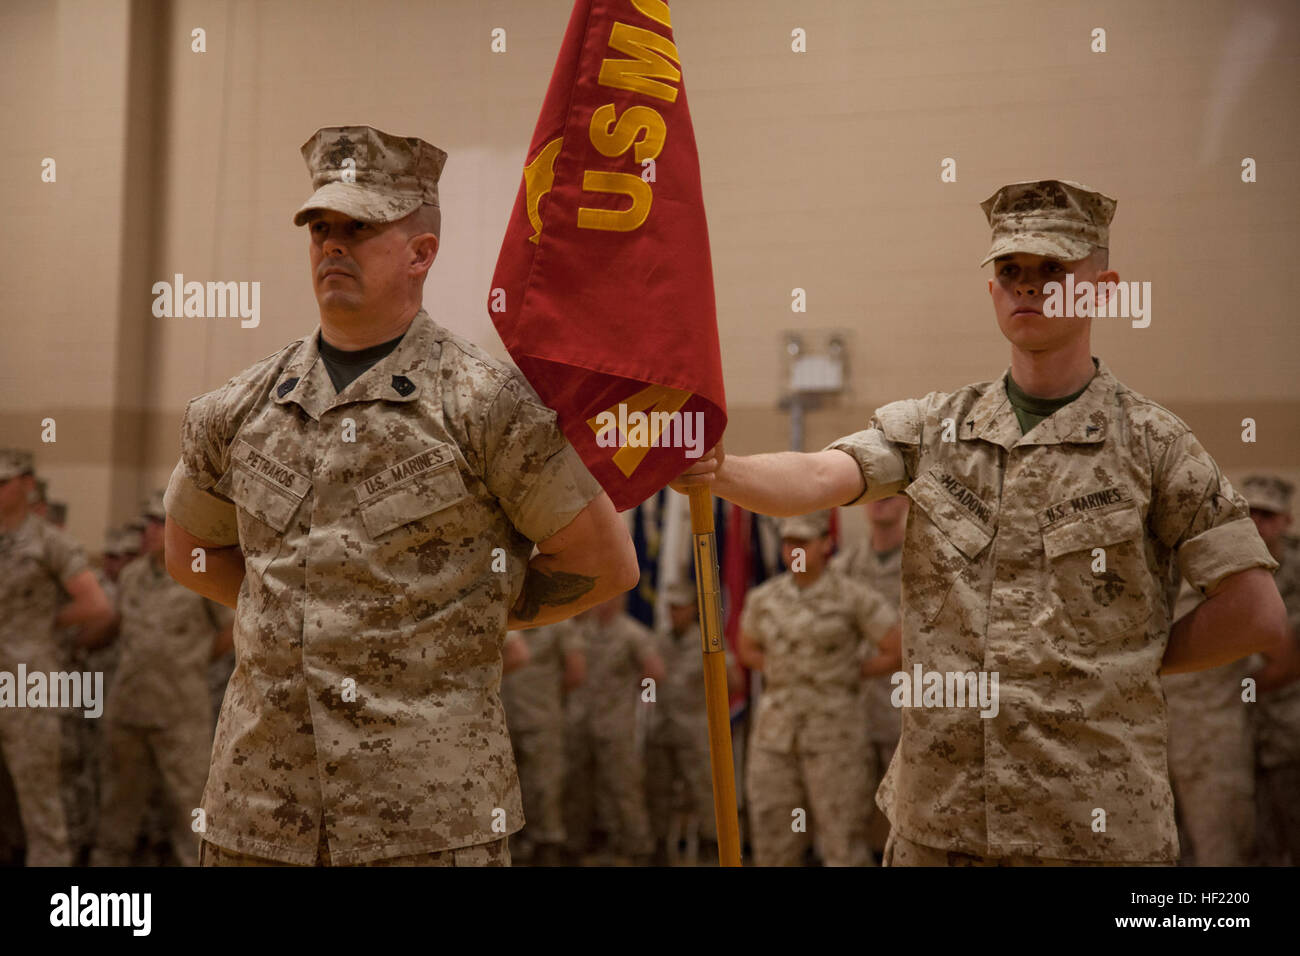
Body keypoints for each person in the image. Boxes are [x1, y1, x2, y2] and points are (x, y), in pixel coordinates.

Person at [673, 179, 1290, 866]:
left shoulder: (1153, 444)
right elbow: (820, 477)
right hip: (941, 824)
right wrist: (723, 471)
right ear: (992, 290)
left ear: (1102, 290)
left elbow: (1255, 612)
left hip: (1089, 829)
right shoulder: (936, 428)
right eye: (1010, 271)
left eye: (1052, 270)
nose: (1027, 286)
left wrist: (1129, 661)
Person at [161, 125, 637, 867]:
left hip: (426, 822)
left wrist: (453, 622)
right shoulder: (239, 408)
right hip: (256, 816)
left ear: (421, 252)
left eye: (360, 227)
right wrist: (303, 619)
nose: (333, 246)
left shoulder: (487, 405)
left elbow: (602, 564)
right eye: (321, 228)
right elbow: (191, 553)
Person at [739, 511, 900, 866]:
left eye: (803, 542)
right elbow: (747, 647)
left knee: (842, 843)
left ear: (825, 544)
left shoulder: (852, 596)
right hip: (776, 737)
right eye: (788, 542)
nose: (793, 550)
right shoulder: (764, 598)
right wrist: (783, 669)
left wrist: (848, 672)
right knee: (774, 838)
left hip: (834, 738)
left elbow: (896, 648)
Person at [92, 492, 232, 866]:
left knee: (190, 814)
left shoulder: (198, 571)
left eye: (159, 522)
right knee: (116, 812)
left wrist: (193, 660)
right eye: (148, 524)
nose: (151, 531)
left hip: (179, 711)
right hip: (129, 708)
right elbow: (121, 628)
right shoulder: (132, 576)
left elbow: (229, 629)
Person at [0, 449, 114, 865]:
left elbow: (96, 605)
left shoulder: (49, 541)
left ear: (27, 485)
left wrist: (45, 624)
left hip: (27, 688)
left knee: (40, 808)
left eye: (4, 483)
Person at [644, 578, 740, 865]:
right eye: (671, 608)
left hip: (696, 733)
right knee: (658, 793)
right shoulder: (657, 640)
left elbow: (734, 682)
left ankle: (713, 848)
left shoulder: (708, 640)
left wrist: (708, 696)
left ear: (693, 609)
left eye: (681, 608)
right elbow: (644, 679)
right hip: (662, 731)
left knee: (705, 792)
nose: (675, 614)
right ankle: (659, 847)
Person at [832, 493, 908, 853]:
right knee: (845, 819)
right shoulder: (842, 569)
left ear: (908, 502)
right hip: (853, 712)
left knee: (908, 820)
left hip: (906, 711)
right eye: (875, 497)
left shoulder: (924, 566)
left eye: (892, 496)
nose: (881, 503)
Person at [563, 595, 662, 864]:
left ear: (621, 601)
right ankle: (576, 844)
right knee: (578, 788)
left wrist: (633, 693)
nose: (603, 604)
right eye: (601, 599)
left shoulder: (632, 633)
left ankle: (639, 847)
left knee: (624, 789)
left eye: (611, 600)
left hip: (616, 725)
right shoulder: (580, 630)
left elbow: (655, 672)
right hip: (581, 722)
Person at [1162, 582, 1256, 865]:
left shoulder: (1221, 565)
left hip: (1210, 741)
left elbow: (1276, 641)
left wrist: (1234, 694)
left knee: (1220, 854)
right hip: (1154, 741)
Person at [1242, 474, 1300, 864]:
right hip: (1242, 737)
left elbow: (1290, 664)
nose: (1259, 523)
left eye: (1268, 514)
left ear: (1286, 520)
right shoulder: (1226, 568)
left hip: (1290, 732)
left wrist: (1225, 693)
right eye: (1250, 513)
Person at [500, 620, 584, 865]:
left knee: (545, 788)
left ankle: (548, 848)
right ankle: (512, 845)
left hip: (541, 721)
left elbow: (576, 672)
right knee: (507, 789)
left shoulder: (559, 622)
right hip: (505, 719)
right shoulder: (506, 618)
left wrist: (547, 698)